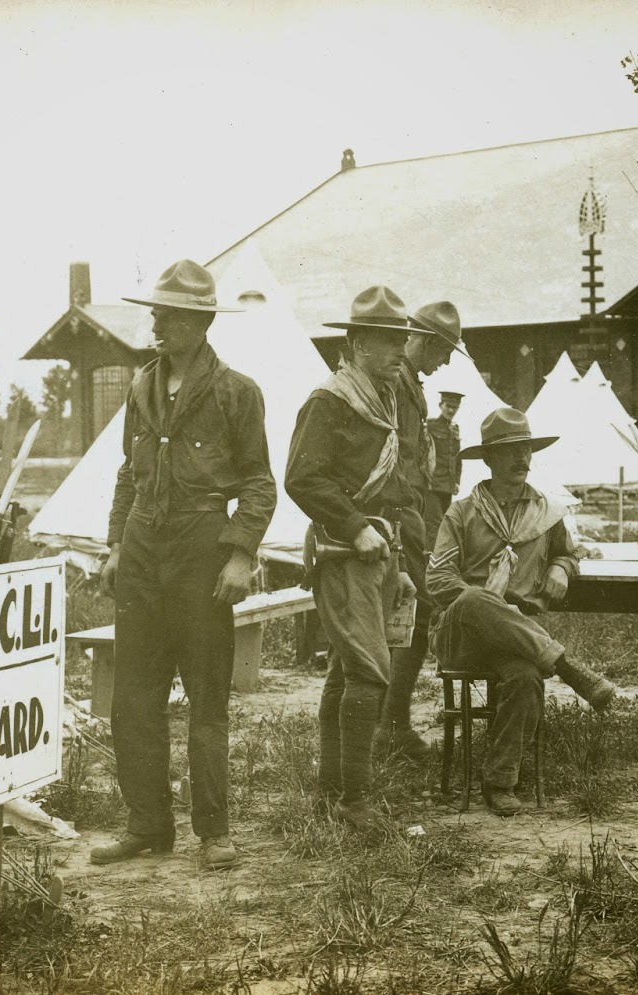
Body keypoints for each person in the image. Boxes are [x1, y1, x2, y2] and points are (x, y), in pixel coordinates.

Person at [91, 260, 277, 869]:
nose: (156, 324)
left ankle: (214, 833)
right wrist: (117, 545)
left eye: (167, 315)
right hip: (143, 547)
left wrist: (241, 553)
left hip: (202, 546)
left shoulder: (237, 391)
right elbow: (128, 474)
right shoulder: (142, 386)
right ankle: (146, 824)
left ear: (199, 323)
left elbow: (257, 483)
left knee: (206, 698)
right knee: (133, 698)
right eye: (155, 314)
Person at [427, 408, 620, 816]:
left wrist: (560, 567)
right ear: (489, 460)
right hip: (460, 635)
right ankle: (568, 667)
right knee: (474, 600)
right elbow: (439, 579)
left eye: (527, 449)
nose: (522, 459)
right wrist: (485, 601)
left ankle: (499, 781)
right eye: (511, 451)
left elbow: (571, 555)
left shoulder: (546, 513)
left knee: (526, 676)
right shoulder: (462, 512)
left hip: (514, 642)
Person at [285, 286, 421, 828]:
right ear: (357, 342)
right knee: (369, 671)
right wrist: (355, 526)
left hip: (379, 554)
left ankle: (329, 792)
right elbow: (302, 478)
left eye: (402, 340)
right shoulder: (330, 400)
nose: (398, 350)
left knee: (346, 671)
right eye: (388, 340)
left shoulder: (383, 399)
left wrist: (402, 564)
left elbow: (396, 490)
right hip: (344, 553)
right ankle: (355, 801)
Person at [378, 301, 469, 759]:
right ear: (428, 342)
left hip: (412, 518)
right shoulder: (394, 384)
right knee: (409, 618)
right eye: (445, 351)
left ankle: (392, 722)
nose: (446, 362)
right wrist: (399, 533)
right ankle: (389, 726)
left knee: (413, 618)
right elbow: (393, 464)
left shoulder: (409, 384)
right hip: (395, 520)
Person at [427, 389, 464, 522]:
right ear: (440, 405)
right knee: (434, 523)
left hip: (447, 486)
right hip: (432, 485)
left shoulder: (455, 429)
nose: (451, 411)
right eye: (448, 406)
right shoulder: (430, 426)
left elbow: (458, 457)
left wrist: (457, 481)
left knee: (444, 522)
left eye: (455, 407)